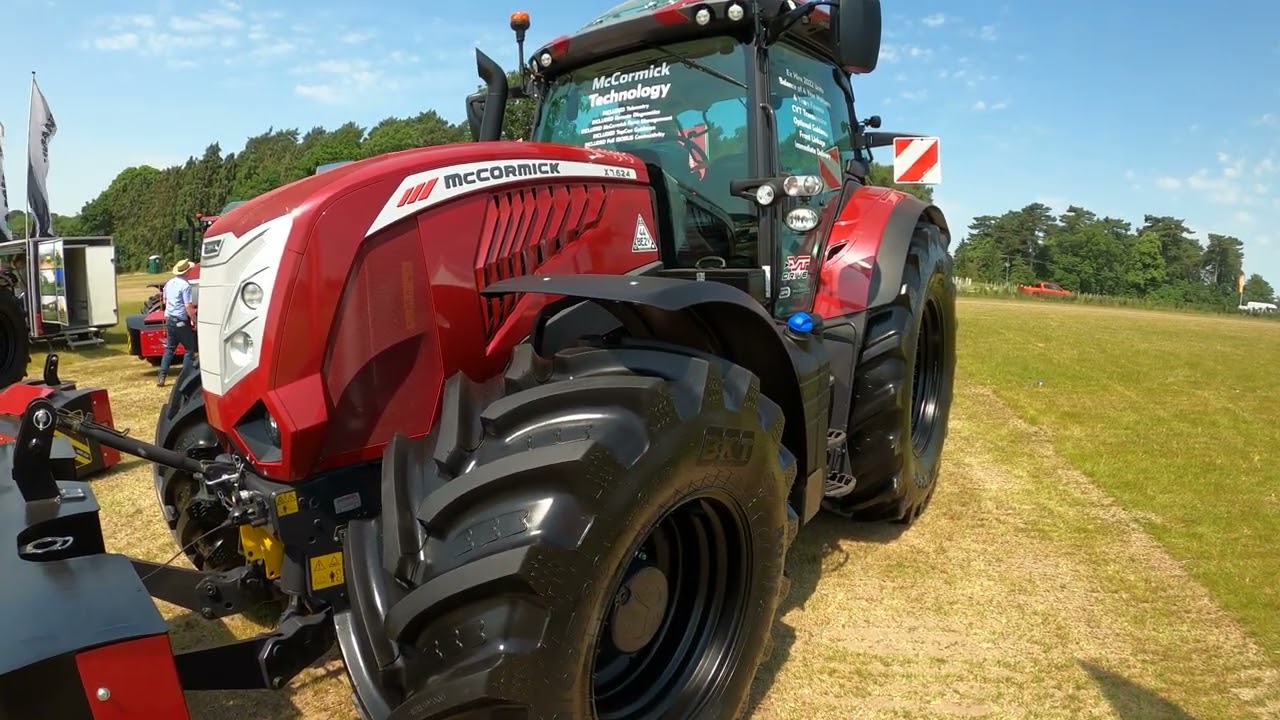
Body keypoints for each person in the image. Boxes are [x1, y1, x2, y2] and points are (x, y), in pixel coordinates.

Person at [158, 259, 198, 387]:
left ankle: (162, 376)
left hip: (169, 319)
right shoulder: (185, 285)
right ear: (187, 271)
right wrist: (193, 319)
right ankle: (185, 378)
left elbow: (164, 300)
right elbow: (188, 305)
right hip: (180, 320)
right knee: (189, 349)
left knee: (170, 349)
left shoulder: (169, 283)